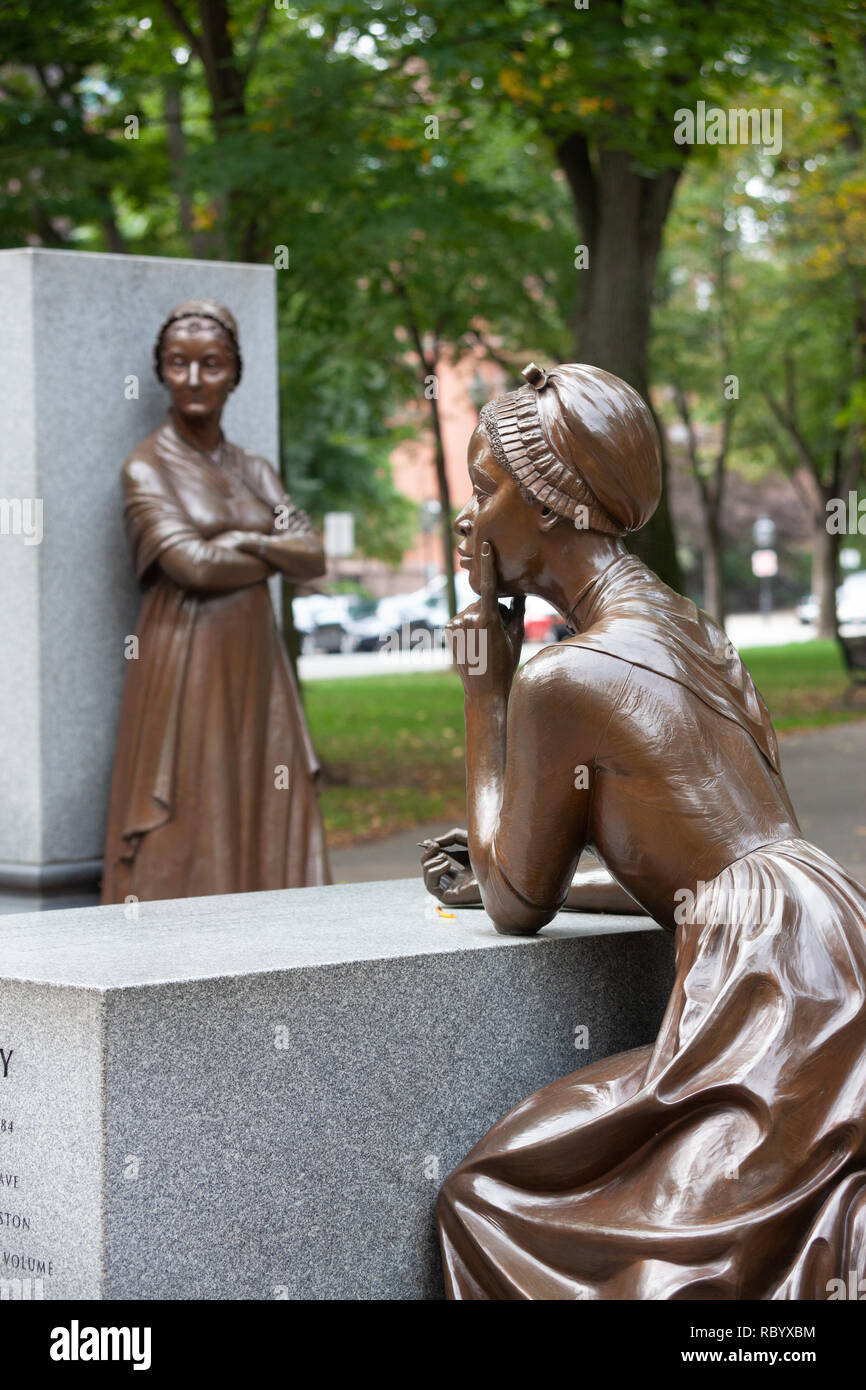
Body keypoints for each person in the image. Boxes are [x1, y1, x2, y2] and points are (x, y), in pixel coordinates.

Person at [421, 361, 866, 1300]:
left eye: (485, 489)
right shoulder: (693, 629)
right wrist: (569, 880)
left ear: (553, 504)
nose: (467, 520)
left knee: (490, 1199)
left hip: (768, 991)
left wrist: (483, 688)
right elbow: (707, 854)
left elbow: (515, 901)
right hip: (831, 927)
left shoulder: (561, 679)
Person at [101, 299, 330, 903]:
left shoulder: (255, 469)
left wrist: (244, 541)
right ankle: (181, 925)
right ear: (162, 372)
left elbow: (312, 554)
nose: (195, 379)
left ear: (235, 373)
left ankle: (262, 909)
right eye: (179, 364)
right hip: (185, 655)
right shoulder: (146, 467)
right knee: (192, 785)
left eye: (212, 364)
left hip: (256, 659)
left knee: (259, 777)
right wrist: (272, 552)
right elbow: (192, 566)